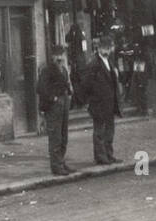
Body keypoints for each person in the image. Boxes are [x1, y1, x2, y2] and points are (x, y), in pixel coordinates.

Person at [80, 34, 122, 165]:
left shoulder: (109, 62)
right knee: (99, 131)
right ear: (99, 48)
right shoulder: (93, 64)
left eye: (109, 48)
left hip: (110, 103)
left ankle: (109, 154)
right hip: (98, 104)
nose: (107, 51)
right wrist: (89, 101)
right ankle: (100, 157)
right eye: (105, 48)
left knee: (109, 131)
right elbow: (85, 85)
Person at [37, 45, 74, 175]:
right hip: (53, 107)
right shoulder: (46, 70)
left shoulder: (63, 69)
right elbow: (41, 88)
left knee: (64, 136)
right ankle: (56, 166)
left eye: (61, 55)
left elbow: (66, 85)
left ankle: (61, 162)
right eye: (57, 55)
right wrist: (53, 99)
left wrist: (68, 93)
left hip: (64, 105)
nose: (59, 57)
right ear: (52, 56)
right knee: (55, 137)